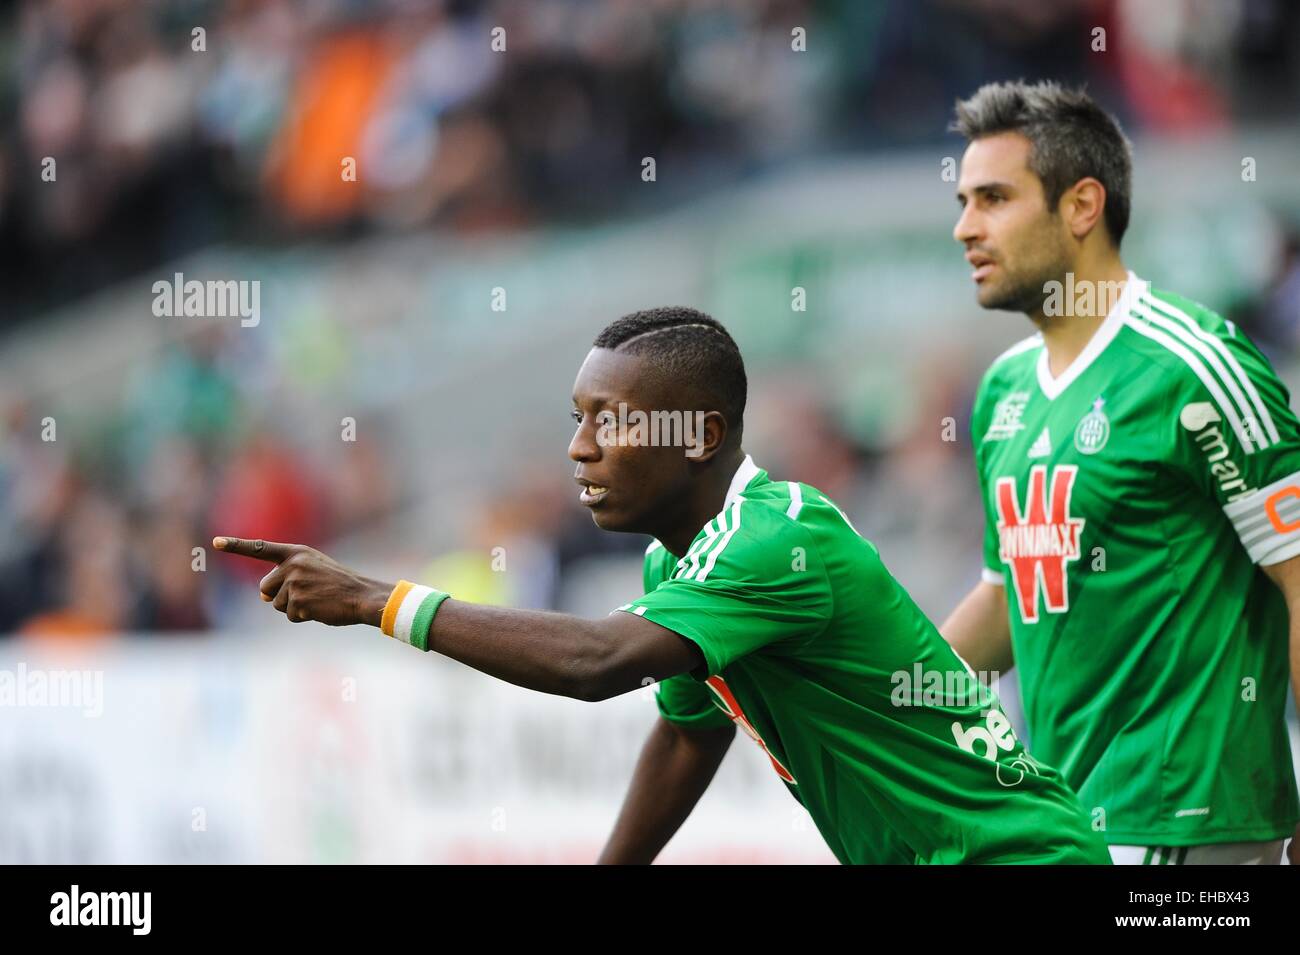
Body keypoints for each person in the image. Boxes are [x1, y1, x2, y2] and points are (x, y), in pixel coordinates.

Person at [216, 306, 1108, 864]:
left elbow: (597, 661)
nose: (579, 446)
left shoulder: (774, 538)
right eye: (578, 419)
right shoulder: (679, 561)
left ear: (699, 433)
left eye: (611, 421)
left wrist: (380, 601)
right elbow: (688, 738)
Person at [943, 80, 1300, 865]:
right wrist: (879, 693)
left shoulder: (1195, 366)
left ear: (1081, 206)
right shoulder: (1003, 390)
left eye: (994, 198)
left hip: (1192, 827)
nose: (965, 226)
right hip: (1068, 824)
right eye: (964, 200)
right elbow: (1011, 597)